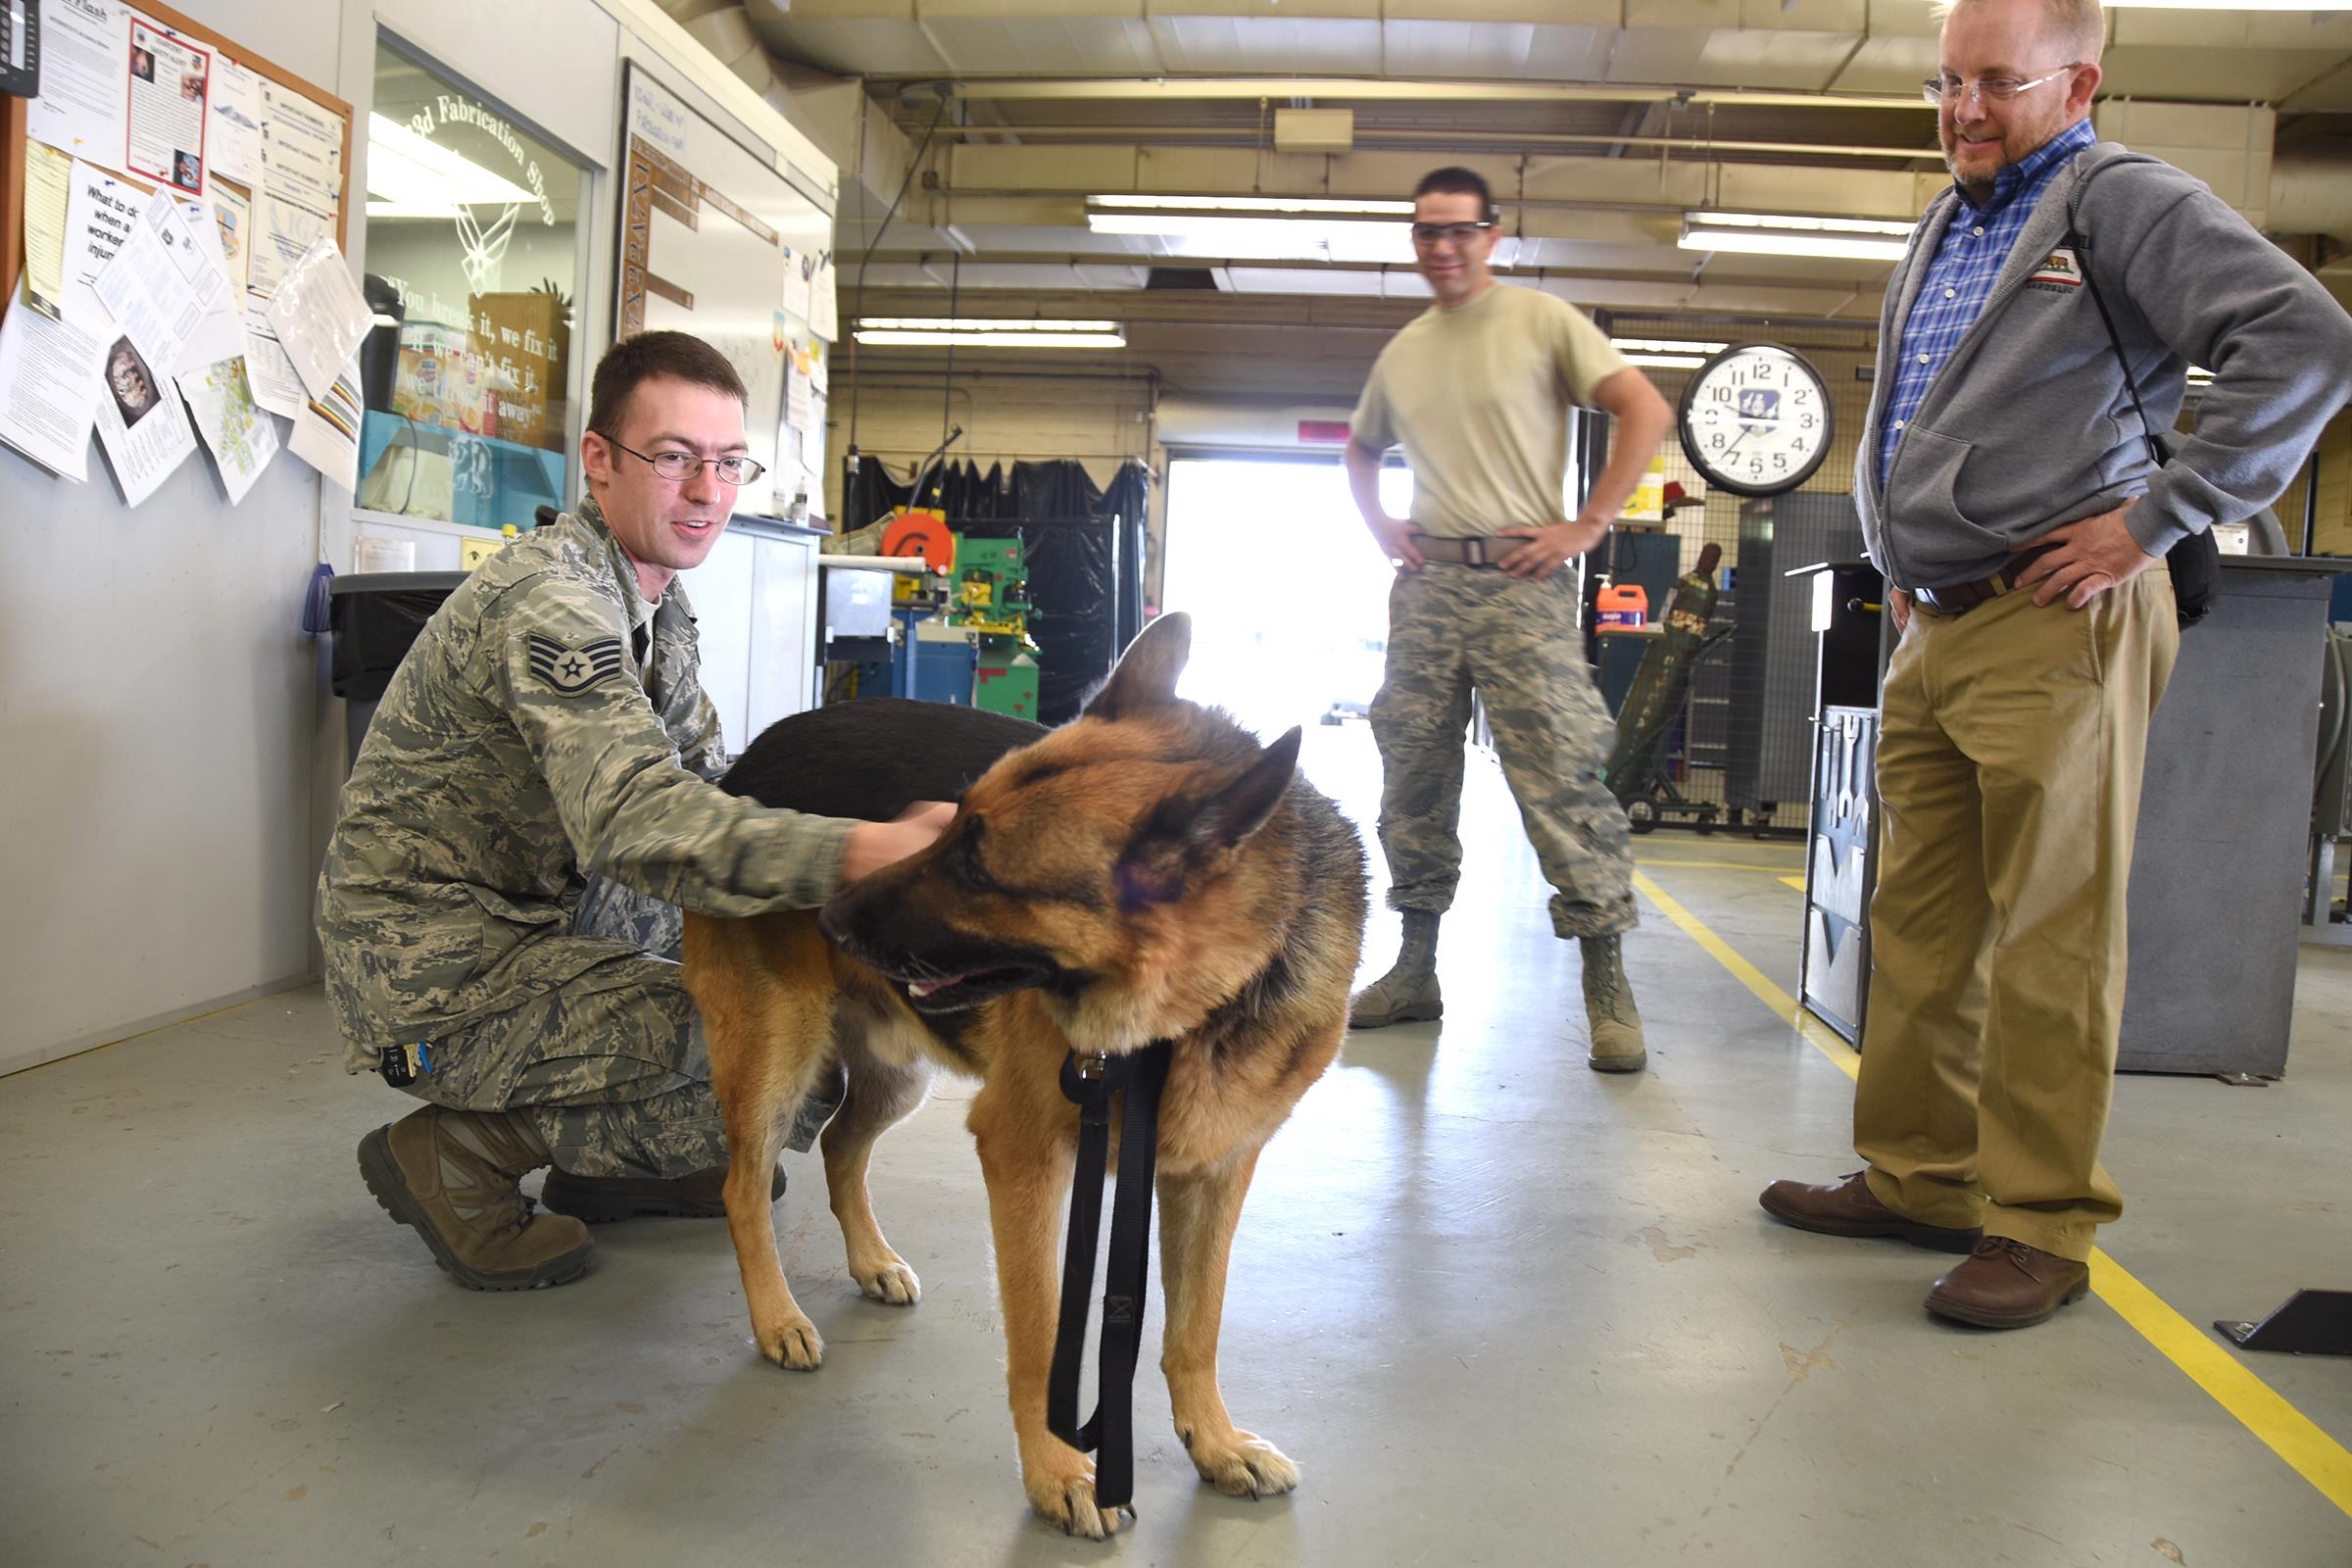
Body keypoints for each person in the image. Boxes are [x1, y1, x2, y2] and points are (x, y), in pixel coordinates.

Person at [1760, 0, 2352, 1328]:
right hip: (1939, 617)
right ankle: (1920, 1175)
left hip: (2057, 617)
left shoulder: (2119, 200)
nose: (1965, 109)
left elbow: (2308, 344)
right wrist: (1897, 559)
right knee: (1920, 925)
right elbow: (1925, 402)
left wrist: (2155, 519)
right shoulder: (1957, 211)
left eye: (1997, 83)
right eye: (1947, 81)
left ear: (2079, 79)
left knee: (2052, 935)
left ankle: (2041, 1224)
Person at [318, 331, 952, 1292]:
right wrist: (865, 850)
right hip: (426, 987)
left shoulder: (658, 600)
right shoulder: (554, 603)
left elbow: (713, 790)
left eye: (728, 463)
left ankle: (610, 1156)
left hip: (547, 912)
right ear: (600, 462)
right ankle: (457, 1155)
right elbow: (637, 818)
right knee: (769, 1054)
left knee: (810, 1001)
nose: (707, 490)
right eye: (674, 458)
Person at [1343, 166, 1674, 1073]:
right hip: (1427, 588)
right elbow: (1361, 447)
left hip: (1523, 585)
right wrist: (1380, 524)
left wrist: (1588, 525)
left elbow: (1644, 407)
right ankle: (1415, 968)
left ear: (1492, 235)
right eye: (1425, 232)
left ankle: (1606, 982)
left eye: (1459, 230)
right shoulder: (1404, 350)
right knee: (1412, 771)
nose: (1442, 248)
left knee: (1562, 778)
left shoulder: (1540, 322)